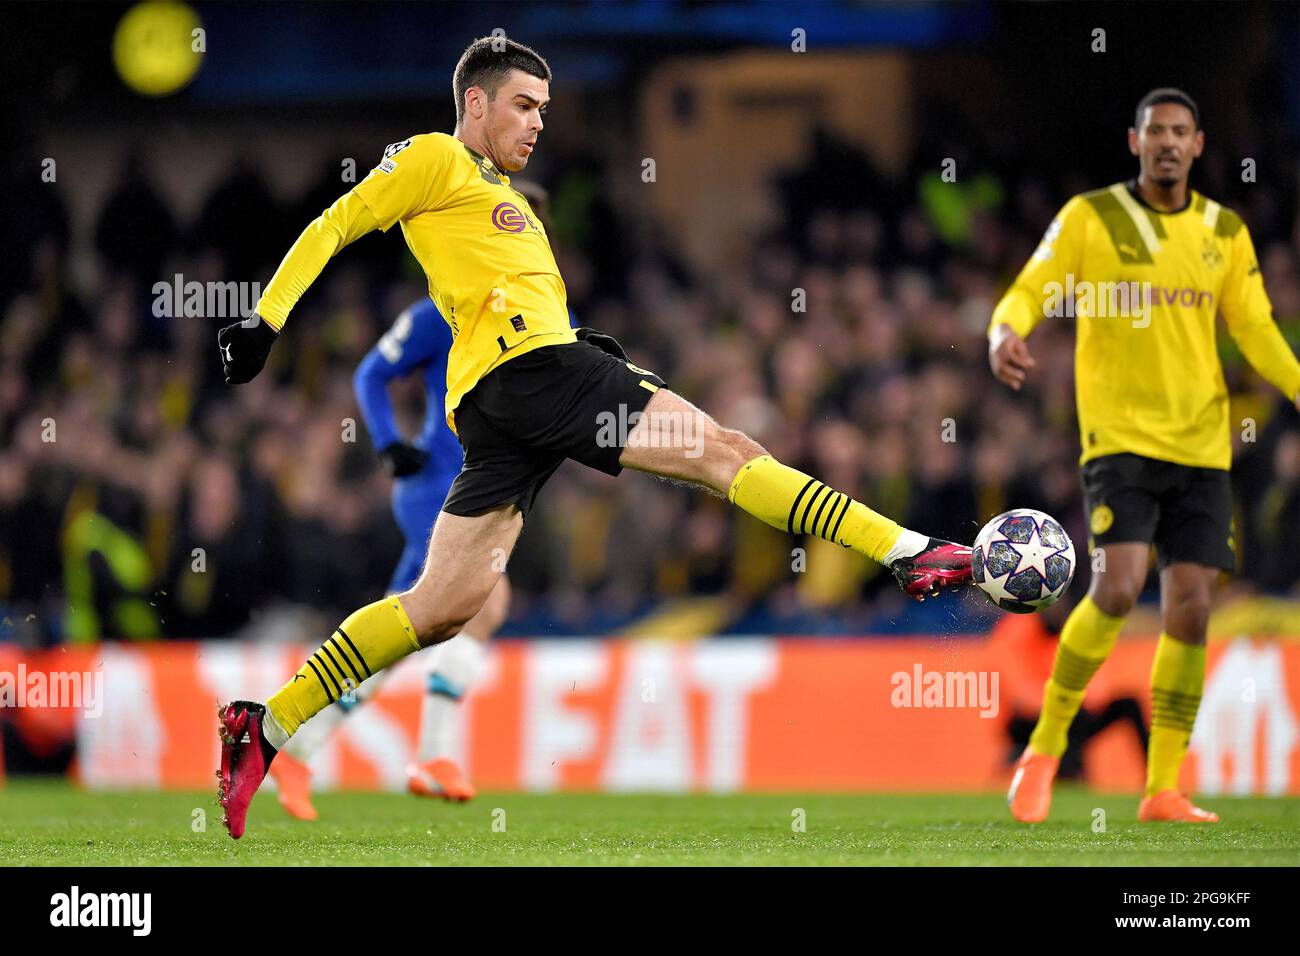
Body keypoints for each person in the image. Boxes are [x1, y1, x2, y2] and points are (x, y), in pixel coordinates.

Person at [215, 36, 972, 839]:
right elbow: (338, 222)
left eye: (544, 108)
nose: (538, 122)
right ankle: (905, 550)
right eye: (523, 104)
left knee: (439, 608)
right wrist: (266, 320)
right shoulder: (437, 157)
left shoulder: (496, 194)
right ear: (474, 101)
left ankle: (263, 726)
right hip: (535, 373)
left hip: (502, 400)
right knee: (730, 454)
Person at [990, 88, 1300, 823]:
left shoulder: (1223, 230)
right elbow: (1030, 290)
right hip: (1120, 441)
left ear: (1197, 146)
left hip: (1201, 444)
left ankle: (1162, 787)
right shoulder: (1090, 218)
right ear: (1135, 142)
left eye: (1181, 132)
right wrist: (1004, 333)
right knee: (1121, 588)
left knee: (1191, 608)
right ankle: (1045, 747)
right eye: (1155, 130)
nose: (1167, 142)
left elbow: (1255, 332)